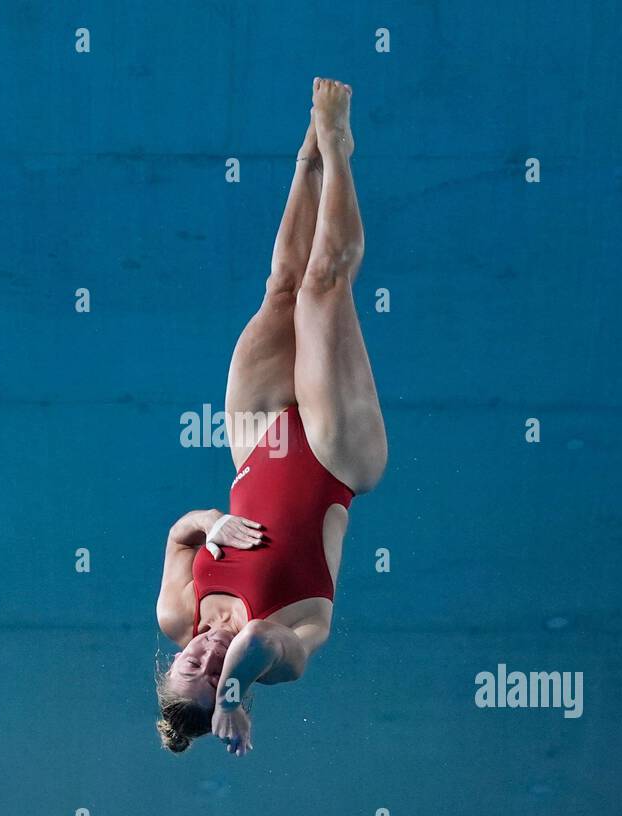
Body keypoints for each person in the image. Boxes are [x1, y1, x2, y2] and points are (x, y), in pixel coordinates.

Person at [154, 78, 387, 756]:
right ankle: (340, 147)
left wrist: (209, 523)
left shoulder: (177, 613)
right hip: (336, 456)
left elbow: (179, 534)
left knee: (282, 284)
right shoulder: (284, 656)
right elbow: (257, 640)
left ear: (170, 665)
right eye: (217, 673)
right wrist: (229, 692)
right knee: (322, 287)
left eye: (190, 667)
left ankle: (308, 155)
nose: (207, 656)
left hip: (254, 443)